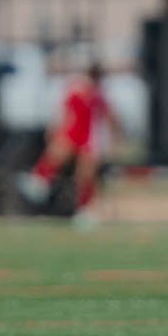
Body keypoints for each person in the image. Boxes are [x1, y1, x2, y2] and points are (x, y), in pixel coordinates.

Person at [19, 63, 122, 224]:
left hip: (91, 138)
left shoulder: (100, 97)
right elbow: (64, 112)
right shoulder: (76, 91)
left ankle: (85, 210)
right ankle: (41, 180)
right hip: (74, 132)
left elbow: (110, 118)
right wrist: (55, 129)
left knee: (85, 175)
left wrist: (115, 138)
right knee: (58, 153)